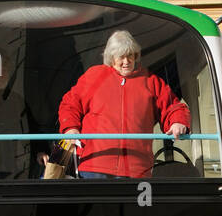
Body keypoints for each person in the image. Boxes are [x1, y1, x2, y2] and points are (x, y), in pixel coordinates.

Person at [57, 30, 191, 179]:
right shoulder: (94, 76)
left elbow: (174, 107)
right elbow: (70, 104)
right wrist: (71, 128)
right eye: (121, 57)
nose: (126, 62)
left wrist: (178, 122)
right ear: (111, 58)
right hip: (94, 165)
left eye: (130, 55)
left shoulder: (151, 82)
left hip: (137, 169)